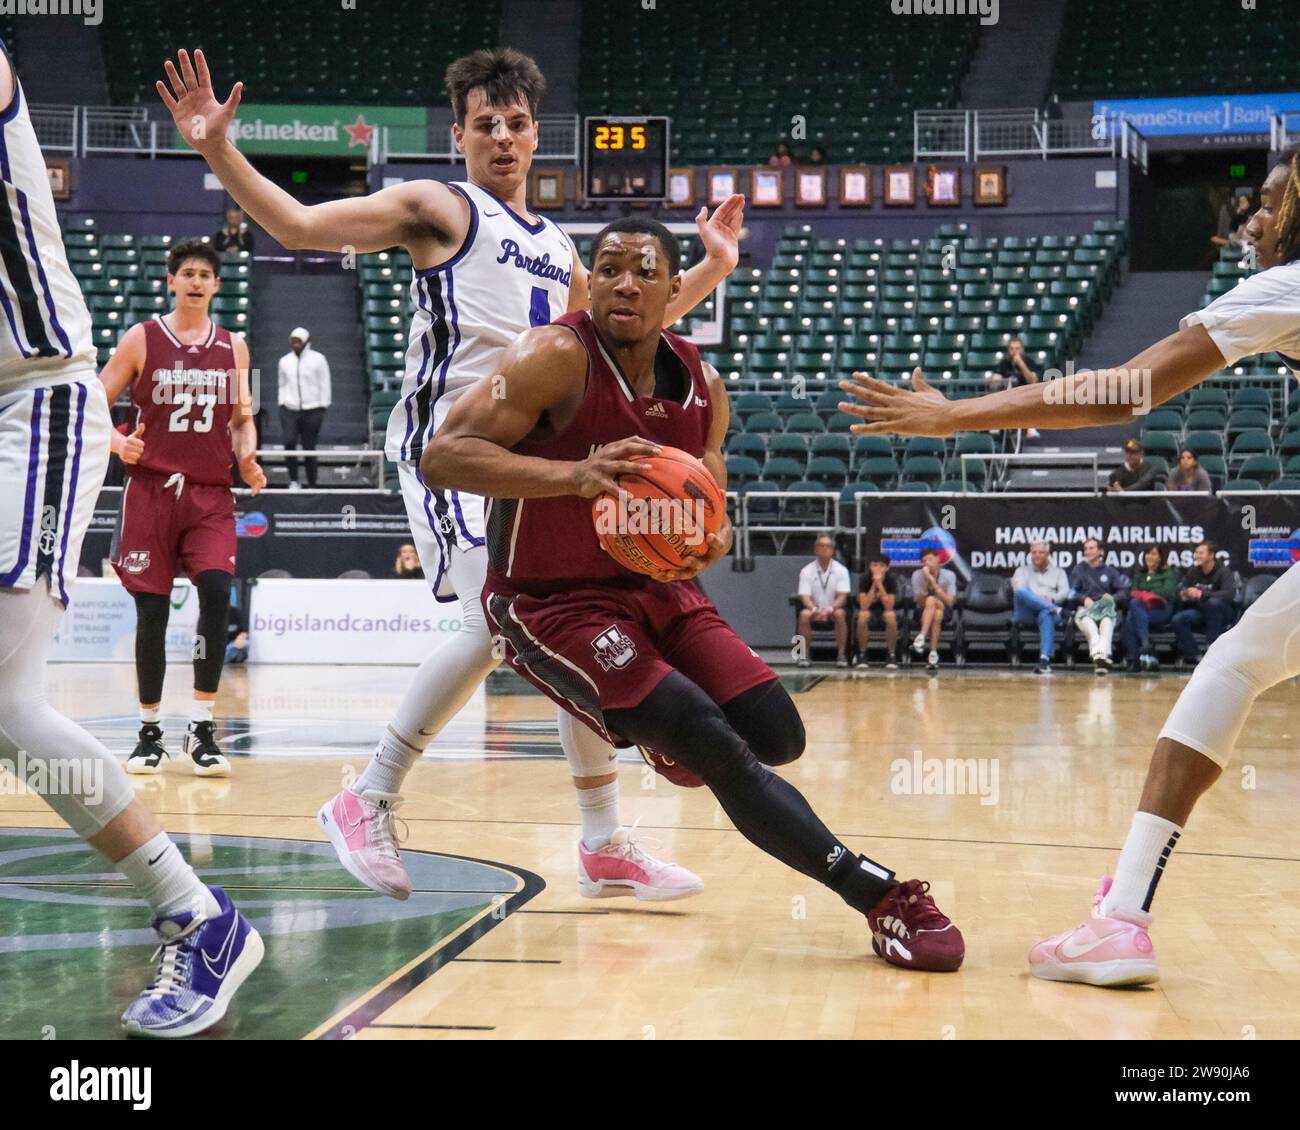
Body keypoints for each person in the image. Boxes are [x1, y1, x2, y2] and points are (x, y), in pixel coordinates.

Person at [160, 46, 744, 899]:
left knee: (568, 625)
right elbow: (297, 225)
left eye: (515, 124)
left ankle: (604, 838)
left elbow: (632, 315)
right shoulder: (437, 207)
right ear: (460, 137)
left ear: (536, 136)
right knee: (496, 626)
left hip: (530, 459)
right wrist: (217, 148)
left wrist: (714, 266)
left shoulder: (553, 244)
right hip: (452, 454)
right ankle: (367, 796)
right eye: (484, 125)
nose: (501, 137)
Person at [421, 216, 964, 972]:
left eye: (643, 271)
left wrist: (712, 537)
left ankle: (660, 729)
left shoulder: (704, 386)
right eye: (607, 268)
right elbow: (441, 454)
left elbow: (713, 510)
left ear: (676, 290)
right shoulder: (549, 357)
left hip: (660, 591)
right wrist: (570, 475)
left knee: (780, 737)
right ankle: (878, 895)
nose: (623, 282)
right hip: (550, 604)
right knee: (714, 740)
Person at [837, 144, 1300, 987]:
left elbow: (1124, 391)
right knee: (1233, 665)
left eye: (1270, 203)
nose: (1253, 220)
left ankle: (1122, 920)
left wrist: (957, 416)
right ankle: (1121, 914)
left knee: (1231, 670)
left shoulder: (1289, 285)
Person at [0, 39, 260, 1037]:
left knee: (8, 696)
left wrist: (242, 446)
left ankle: (199, 915)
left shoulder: (211, 341)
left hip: (32, 397)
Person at [98, 239, 265, 778]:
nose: (196, 281)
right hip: (149, 492)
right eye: (187, 273)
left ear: (217, 285)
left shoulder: (236, 346)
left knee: (216, 593)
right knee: (151, 610)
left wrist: (248, 457)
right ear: (171, 281)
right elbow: (92, 403)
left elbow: (243, 417)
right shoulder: (141, 338)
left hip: (210, 493)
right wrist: (117, 442)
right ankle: (149, 731)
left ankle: (202, 725)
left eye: (205, 274)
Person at [277, 326, 331, 488]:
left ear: (306, 342)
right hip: (289, 408)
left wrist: (323, 405)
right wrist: (282, 401)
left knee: (309, 445)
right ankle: (293, 480)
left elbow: (324, 382)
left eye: (298, 341)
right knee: (289, 442)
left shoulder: (318, 359)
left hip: (313, 409)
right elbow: (282, 383)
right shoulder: (284, 361)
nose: (295, 344)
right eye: (293, 341)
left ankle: (312, 482)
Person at [1069, 537, 1128, 673]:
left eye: (1091, 548)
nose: (1088, 551)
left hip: (1105, 608)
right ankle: (1101, 656)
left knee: (1107, 622)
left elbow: (1123, 593)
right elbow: (1071, 593)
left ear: (1100, 551)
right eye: (1086, 549)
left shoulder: (1110, 571)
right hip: (1085, 609)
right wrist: (1084, 599)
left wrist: (1111, 599)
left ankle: (1099, 659)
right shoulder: (1079, 570)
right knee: (1091, 627)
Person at [1170, 540, 1235, 663]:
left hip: (1222, 614)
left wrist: (1202, 594)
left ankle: (1212, 651)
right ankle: (1194, 655)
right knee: (1178, 620)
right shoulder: (1194, 571)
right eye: (1196, 553)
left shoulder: (1223, 571)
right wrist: (1184, 594)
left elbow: (1229, 594)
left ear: (1211, 555)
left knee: (1213, 603)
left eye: (1201, 553)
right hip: (1201, 612)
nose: (1197, 556)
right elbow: (1181, 590)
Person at [1011, 541, 1069, 675]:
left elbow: (1065, 592)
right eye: (1034, 552)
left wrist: (1053, 599)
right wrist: (1044, 600)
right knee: (1021, 592)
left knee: (1045, 614)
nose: (1036, 555)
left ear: (1048, 554)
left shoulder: (1059, 572)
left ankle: (1044, 661)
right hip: (1026, 612)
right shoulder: (1021, 571)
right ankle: (1055, 609)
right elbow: (1019, 591)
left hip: (1048, 612)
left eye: (1041, 552)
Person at [796, 533, 850, 667]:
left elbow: (842, 596)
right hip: (813, 609)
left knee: (840, 614)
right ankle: (804, 655)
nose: (824, 548)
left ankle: (841, 655)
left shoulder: (841, 570)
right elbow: (805, 597)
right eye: (821, 546)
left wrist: (829, 610)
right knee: (804, 615)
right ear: (815, 549)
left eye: (827, 546)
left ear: (832, 550)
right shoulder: (806, 571)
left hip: (833, 608)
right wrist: (815, 609)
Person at [1123, 544, 1177, 672]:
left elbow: (1166, 592)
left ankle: (1134, 659)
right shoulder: (1140, 573)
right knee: (1133, 612)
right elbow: (1133, 592)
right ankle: (1144, 645)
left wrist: (1146, 593)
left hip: (1161, 610)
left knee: (1132, 617)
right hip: (1142, 610)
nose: (1149, 556)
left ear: (1160, 557)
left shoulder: (1167, 573)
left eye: (1153, 554)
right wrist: (1149, 594)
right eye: (1147, 553)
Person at [909, 548, 956, 672]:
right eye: (924, 561)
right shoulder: (917, 575)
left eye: (930, 559)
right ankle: (933, 654)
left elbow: (950, 602)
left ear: (938, 559)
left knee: (933, 602)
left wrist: (933, 582)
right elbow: (919, 602)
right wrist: (926, 583)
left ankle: (922, 636)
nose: (927, 563)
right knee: (936, 613)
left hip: (945, 607)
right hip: (922, 610)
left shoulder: (949, 575)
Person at [855, 553, 902, 668]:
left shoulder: (891, 579)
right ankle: (862, 655)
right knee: (862, 615)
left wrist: (880, 585)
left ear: (887, 568)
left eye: (881, 566)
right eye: (874, 565)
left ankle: (891, 655)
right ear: (870, 567)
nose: (877, 569)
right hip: (870, 611)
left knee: (890, 616)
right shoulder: (865, 578)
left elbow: (889, 606)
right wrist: (873, 586)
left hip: (885, 611)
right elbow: (864, 605)